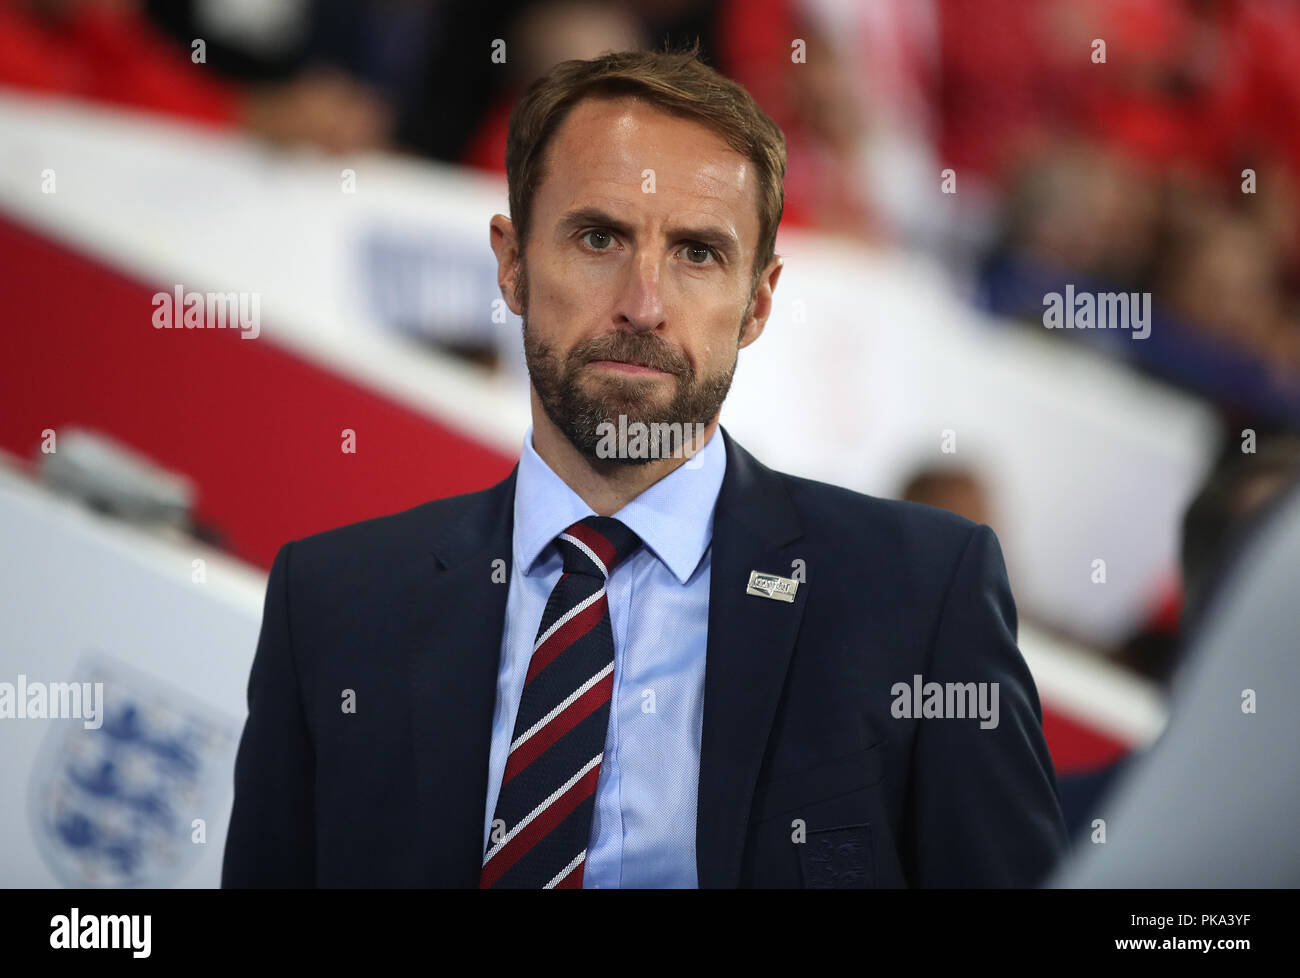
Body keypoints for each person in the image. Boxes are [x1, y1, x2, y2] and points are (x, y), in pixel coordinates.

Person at [222, 45, 1067, 889]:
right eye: (599, 238)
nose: (644, 305)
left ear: (758, 304)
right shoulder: (332, 604)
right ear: (512, 263)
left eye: (698, 253)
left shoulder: (919, 597)